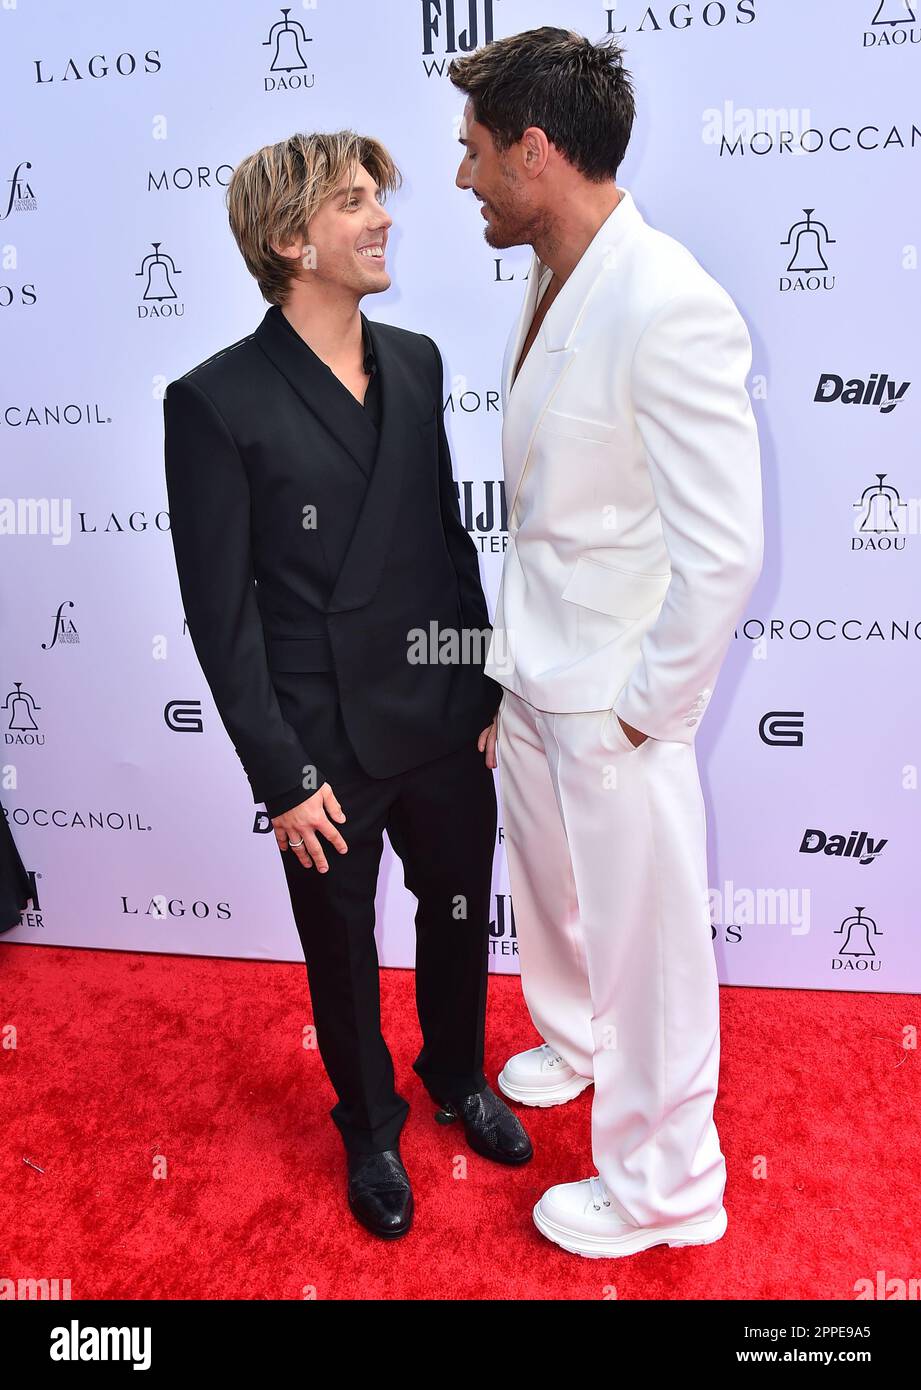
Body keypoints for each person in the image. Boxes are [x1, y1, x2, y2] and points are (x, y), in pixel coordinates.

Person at [162, 130, 531, 1242]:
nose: (383, 220)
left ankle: (458, 1072)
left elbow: (445, 540)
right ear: (290, 239)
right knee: (339, 944)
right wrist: (281, 774)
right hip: (320, 738)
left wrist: (481, 686)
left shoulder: (416, 361)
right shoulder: (214, 400)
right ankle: (369, 1125)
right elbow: (222, 618)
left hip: (438, 708)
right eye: (355, 204)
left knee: (460, 906)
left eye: (379, 198)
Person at [450, 29, 764, 1258]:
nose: (464, 178)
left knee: (654, 953)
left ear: (538, 152)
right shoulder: (551, 268)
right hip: (537, 673)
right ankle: (573, 1038)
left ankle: (668, 1188)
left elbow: (723, 549)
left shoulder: (669, 300)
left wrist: (648, 708)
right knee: (556, 900)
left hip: (617, 698)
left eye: (476, 154)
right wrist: (514, 680)